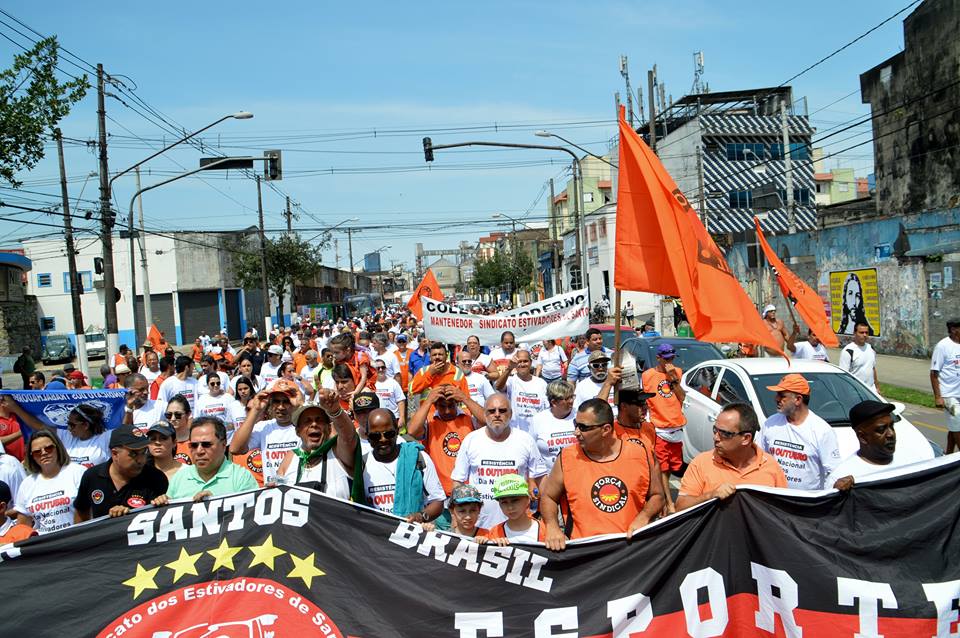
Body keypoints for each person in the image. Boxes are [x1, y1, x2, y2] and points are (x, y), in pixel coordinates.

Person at [540, 399, 663, 550]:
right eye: (575, 425)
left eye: (583, 427)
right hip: (583, 551)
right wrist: (552, 527)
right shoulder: (567, 457)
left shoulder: (640, 454)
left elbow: (657, 496)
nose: (576, 432)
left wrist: (644, 517)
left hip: (630, 548)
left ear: (605, 429)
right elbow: (548, 496)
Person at [450, 394, 548, 529]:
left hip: (517, 526)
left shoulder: (525, 440)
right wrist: (456, 518)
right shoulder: (471, 440)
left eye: (502, 411)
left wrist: (547, 517)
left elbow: (541, 478)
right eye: (491, 411)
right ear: (484, 414)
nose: (497, 415)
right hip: (479, 526)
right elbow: (458, 481)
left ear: (511, 414)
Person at [676, 403, 787, 511]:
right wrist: (710, 496)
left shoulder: (771, 467)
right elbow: (680, 507)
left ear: (746, 438)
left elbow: (783, 512)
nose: (716, 438)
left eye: (725, 433)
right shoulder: (701, 463)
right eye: (715, 430)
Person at [362, 408, 445, 523]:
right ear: (367, 436)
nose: (383, 439)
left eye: (389, 434)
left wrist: (421, 516)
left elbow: (438, 501)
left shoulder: (418, 458)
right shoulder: (362, 465)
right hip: (376, 537)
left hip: (410, 536)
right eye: (375, 436)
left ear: (397, 431)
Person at [759, 374, 840, 490]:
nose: (776, 399)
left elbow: (834, 471)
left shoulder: (822, 430)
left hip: (807, 503)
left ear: (798, 399)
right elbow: (759, 459)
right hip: (775, 499)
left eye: (782, 396)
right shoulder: (770, 423)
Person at [277, 391, 361, 499]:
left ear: (329, 428)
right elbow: (278, 493)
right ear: (298, 431)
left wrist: (335, 410)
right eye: (307, 421)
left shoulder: (337, 452)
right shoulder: (292, 457)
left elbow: (349, 436)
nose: (314, 424)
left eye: (319, 420)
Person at [74, 424, 168, 521]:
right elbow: (81, 512)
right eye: (133, 454)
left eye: (144, 452)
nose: (141, 460)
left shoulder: (156, 478)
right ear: (115, 454)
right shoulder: (92, 477)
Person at [408, 384, 486, 495]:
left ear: (457, 403)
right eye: (442, 406)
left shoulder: (468, 417)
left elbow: (488, 421)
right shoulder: (430, 421)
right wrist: (428, 400)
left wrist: (464, 398)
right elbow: (412, 431)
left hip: (469, 491)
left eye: (451, 405)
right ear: (435, 406)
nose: (447, 411)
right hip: (440, 492)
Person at [828, 400, 917, 489]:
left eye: (891, 426)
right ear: (862, 437)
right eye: (882, 429)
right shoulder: (841, 477)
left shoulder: (913, 462)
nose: (891, 434)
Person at [230, 379, 302, 486]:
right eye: (276, 401)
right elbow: (235, 449)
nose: (280, 407)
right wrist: (255, 409)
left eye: (286, 401)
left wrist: (301, 405)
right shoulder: (264, 427)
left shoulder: (305, 428)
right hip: (272, 492)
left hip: (300, 491)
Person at [167, 417, 258, 501]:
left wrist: (214, 503)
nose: (199, 451)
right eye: (194, 445)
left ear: (223, 444)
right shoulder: (179, 478)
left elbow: (251, 515)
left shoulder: (241, 478)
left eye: (206, 445)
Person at [3, 398, 111, 468]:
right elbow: (40, 426)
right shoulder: (67, 436)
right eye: (68, 424)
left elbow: (125, 431)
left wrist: (128, 410)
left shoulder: (105, 438)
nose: (68, 428)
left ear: (86, 425)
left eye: (72, 425)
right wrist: (15, 407)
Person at [642, 343, 686, 514]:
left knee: (674, 468)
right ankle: (668, 503)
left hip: (676, 427)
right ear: (658, 358)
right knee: (663, 468)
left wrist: (672, 377)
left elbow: (682, 397)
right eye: (666, 358)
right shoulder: (647, 376)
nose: (670, 361)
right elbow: (645, 399)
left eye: (672, 358)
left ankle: (662, 499)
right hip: (658, 428)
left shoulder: (678, 372)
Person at [14, 431, 85, 534]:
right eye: (37, 452)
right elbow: (23, 527)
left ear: (58, 448)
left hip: (77, 539)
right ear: (32, 456)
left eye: (49, 448)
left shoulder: (78, 472)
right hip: (46, 545)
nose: (44, 453)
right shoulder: (27, 484)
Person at [495, 349, 549, 435]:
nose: (522, 364)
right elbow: (498, 386)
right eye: (519, 361)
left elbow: (547, 408)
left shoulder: (541, 383)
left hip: (538, 431)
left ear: (531, 363)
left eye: (525, 361)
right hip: (516, 432)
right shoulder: (511, 381)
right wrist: (509, 368)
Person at [529, 380, 577, 471]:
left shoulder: (579, 416)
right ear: (554, 402)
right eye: (567, 398)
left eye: (572, 397)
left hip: (575, 473)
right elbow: (532, 451)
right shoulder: (538, 420)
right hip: (549, 477)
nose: (571, 401)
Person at [485, 473, 545, 544]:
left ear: (528, 499)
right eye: (504, 502)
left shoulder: (545, 530)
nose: (510, 507)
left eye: (515, 500)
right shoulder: (494, 533)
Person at [930, 318, 960, 454]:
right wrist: (938, 397)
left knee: (954, 425)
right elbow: (934, 373)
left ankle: (948, 454)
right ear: (954, 330)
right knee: (957, 425)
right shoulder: (942, 346)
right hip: (949, 395)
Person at [838, 322, 879, 392]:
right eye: (861, 332)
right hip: (856, 391)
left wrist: (877, 387)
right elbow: (843, 375)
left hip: (871, 391)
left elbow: (873, 368)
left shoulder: (871, 348)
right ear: (855, 333)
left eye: (866, 332)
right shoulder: (848, 351)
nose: (864, 335)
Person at [373, 360, 406, 430]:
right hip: (377, 418)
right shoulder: (371, 384)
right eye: (378, 368)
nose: (381, 370)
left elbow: (400, 401)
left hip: (393, 418)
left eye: (383, 367)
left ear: (386, 369)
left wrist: (402, 417)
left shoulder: (393, 383)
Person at [0, 396, 24, 460]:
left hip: (24, 463)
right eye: (13, 401)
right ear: (3, 403)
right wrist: (20, 433)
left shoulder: (18, 416)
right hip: (8, 465)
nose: (16, 404)